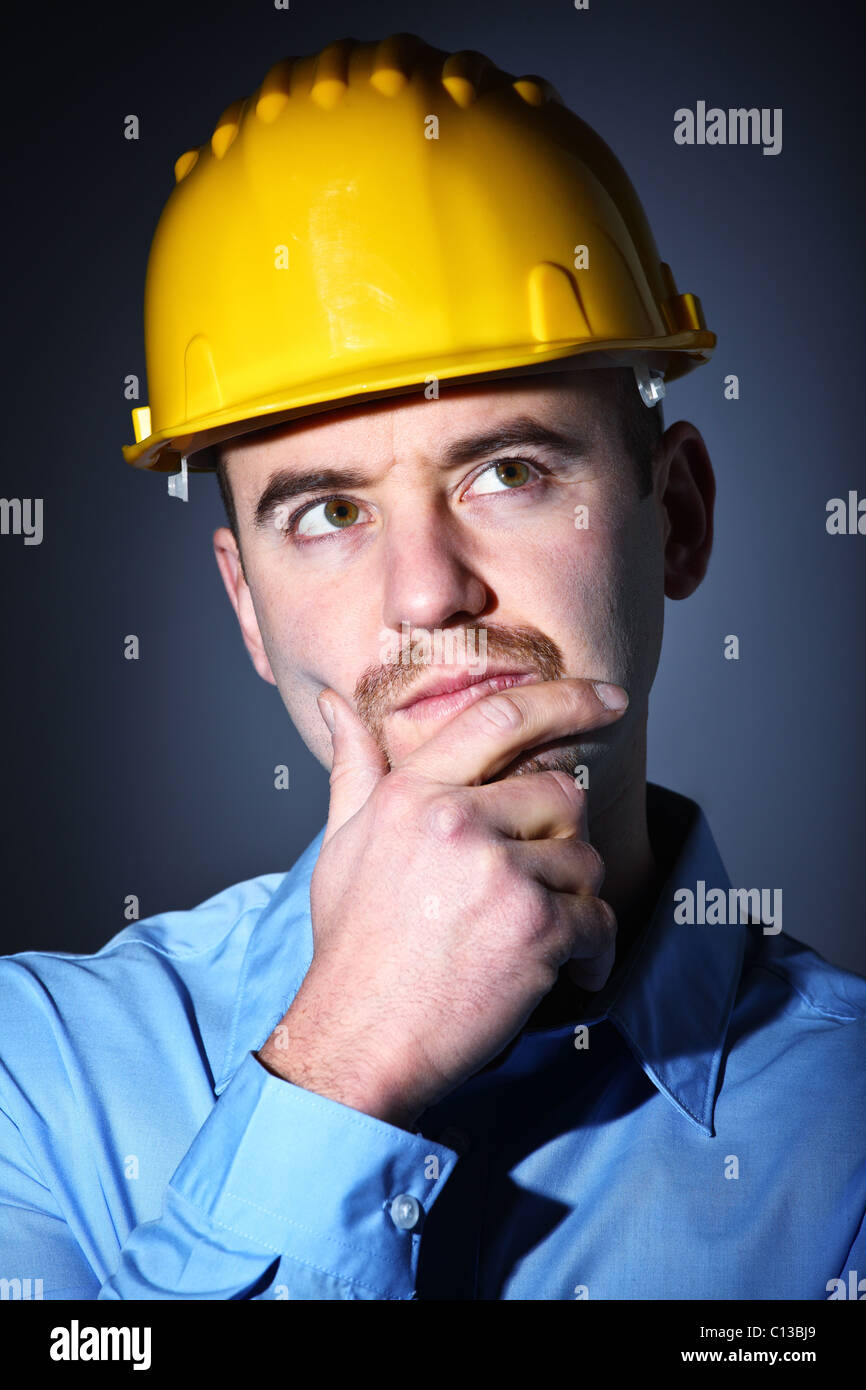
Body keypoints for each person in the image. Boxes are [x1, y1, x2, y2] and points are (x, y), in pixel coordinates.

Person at [1, 32, 864, 1302]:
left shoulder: (843, 1138)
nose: (426, 591)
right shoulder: (38, 1074)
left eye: (507, 471)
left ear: (673, 517)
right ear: (248, 610)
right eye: (326, 513)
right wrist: (344, 1067)